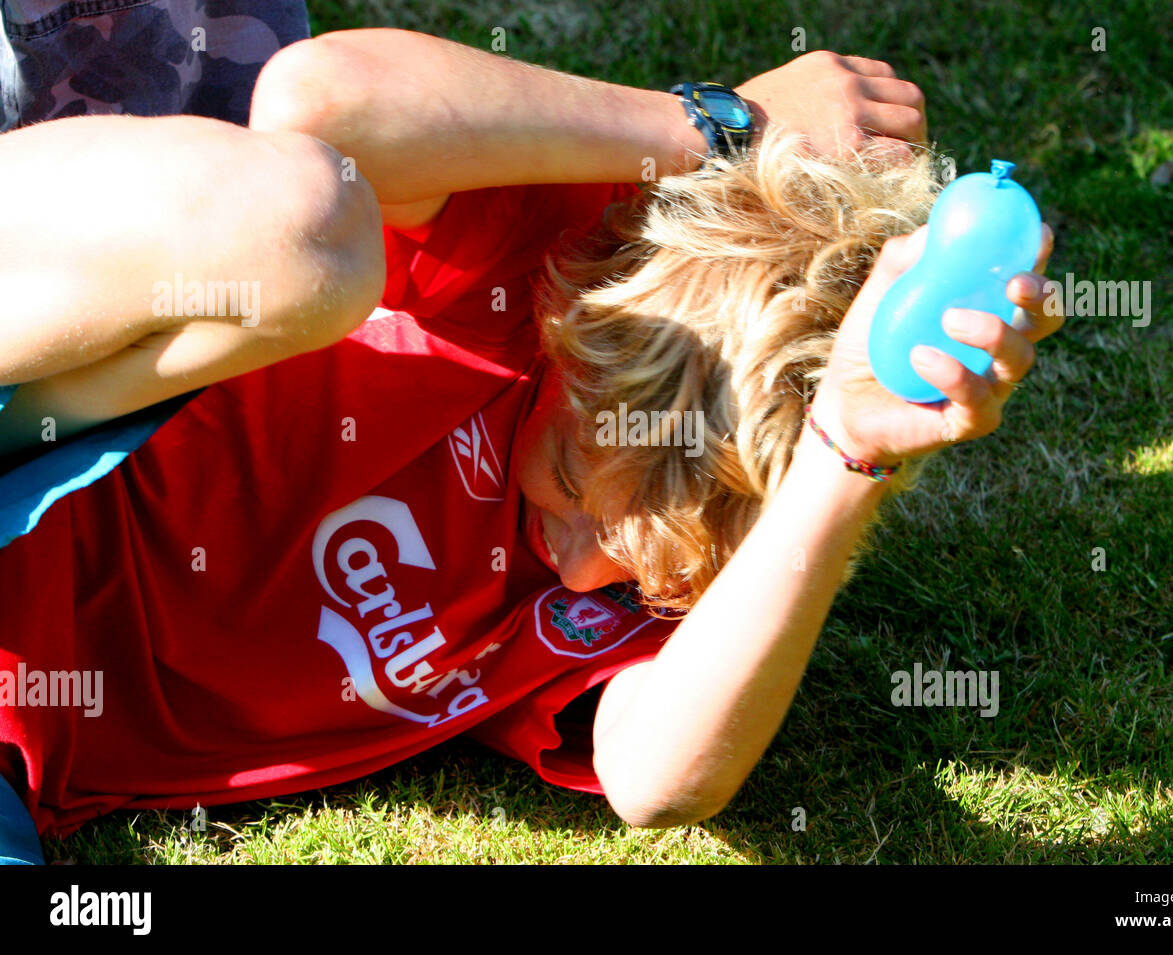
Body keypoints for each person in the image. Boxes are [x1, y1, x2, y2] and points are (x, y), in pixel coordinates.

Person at [0, 28, 1058, 861]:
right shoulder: (538, 286)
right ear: (579, 348)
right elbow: (321, 101)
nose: (581, 568)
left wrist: (842, 459)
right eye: (568, 481)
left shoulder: (676, 574)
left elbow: (658, 780)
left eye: (651, 579)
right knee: (294, 216)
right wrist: (722, 124)